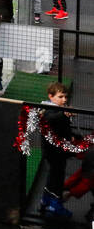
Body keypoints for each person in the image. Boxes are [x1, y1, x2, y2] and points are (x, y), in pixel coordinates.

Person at [39, 82, 77, 218]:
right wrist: (64, 114)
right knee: (58, 177)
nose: (64, 100)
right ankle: (55, 205)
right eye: (61, 97)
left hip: (56, 151)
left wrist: (72, 136)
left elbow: (62, 128)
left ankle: (46, 200)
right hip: (55, 152)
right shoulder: (49, 110)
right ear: (51, 96)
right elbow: (49, 119)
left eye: (65, 97)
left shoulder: (55, 110)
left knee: (53, 175)